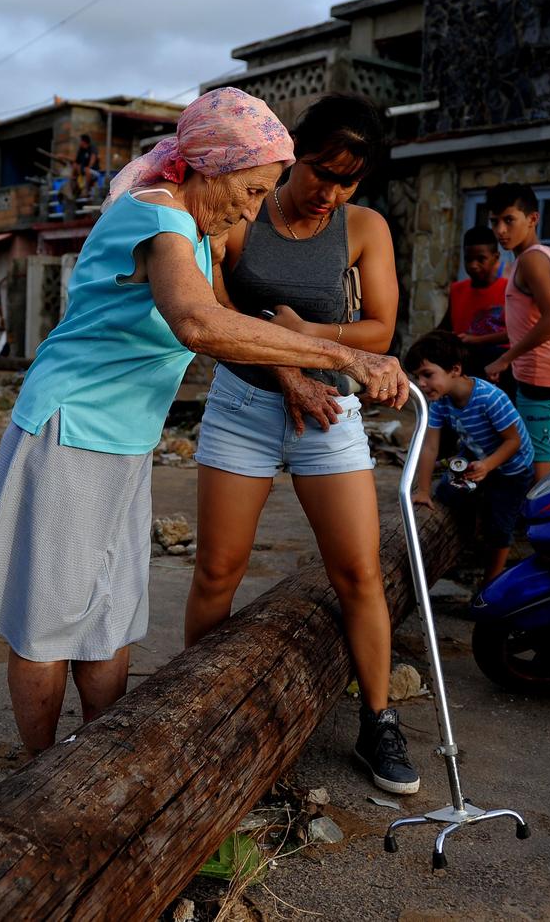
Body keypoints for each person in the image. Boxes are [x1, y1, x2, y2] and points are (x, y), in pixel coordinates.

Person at [0, 88, 409, 757]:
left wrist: (301, 367)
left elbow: (226, 317)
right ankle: (39, 772)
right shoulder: (160, 218)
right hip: (73, 431)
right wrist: (343, 356)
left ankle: (99, 758)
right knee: (50, 621)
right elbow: (198, 321)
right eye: (251, 191)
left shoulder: (195, 225)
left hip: (124, 439)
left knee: (108, 618)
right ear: (212, 168)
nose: (253, 210)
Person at [183, 93, 420, 795]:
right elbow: (216, 307)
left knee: (359, 573)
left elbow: (380, 330)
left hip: (330, 413)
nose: (330, 192)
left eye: (348, 180)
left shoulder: (364, 227)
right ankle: (199, 711)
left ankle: (378, 719)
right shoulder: (244, 210)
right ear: (294, 154)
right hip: (242, 405)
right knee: (217, 572)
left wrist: (308, 336)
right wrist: (287, 366)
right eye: (321, 171)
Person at [409, 330, 534, 587]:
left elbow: (514, 442)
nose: (421, 383)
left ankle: (490, 584)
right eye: (417, 377)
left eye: (427, 374)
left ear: (455, 370)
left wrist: (488, 466)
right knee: (447, 493)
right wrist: (422, 490)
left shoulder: (490, 398)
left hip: (512, 467)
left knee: (499, 526)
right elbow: (430, 446)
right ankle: (466, 535)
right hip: (476, 455)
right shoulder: (439, 402)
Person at [484, 183, 550, 481]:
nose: (500, 230)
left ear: (533, 218)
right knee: (540, 437)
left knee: (535, 455)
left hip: (540, 367)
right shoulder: (527, 258)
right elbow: (523, 325)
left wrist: (505, 359)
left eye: (509, 220)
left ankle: (541, 508)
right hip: (539, 365)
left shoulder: (533, 260)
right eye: (494, 221)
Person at [440, 225, 509, 382]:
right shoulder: (457, 289)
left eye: (481, 259)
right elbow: (446, 327)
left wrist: (476, 340)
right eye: (468, 259)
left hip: (497, 370)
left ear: (496, 257)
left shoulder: (508, 290)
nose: (473, 265)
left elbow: (518, 334)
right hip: (463, 368)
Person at [69, 133, 101, 198]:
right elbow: (76, 161)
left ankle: (86, 190)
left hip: (94, 171)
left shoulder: (92, 148)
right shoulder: (80, 150)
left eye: (80, 140)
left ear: (84, 141)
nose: (78, 142)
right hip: (84, 170)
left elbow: (93, 157)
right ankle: (74, 187)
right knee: (75, 166)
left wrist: (89, 167)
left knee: (87, 170)